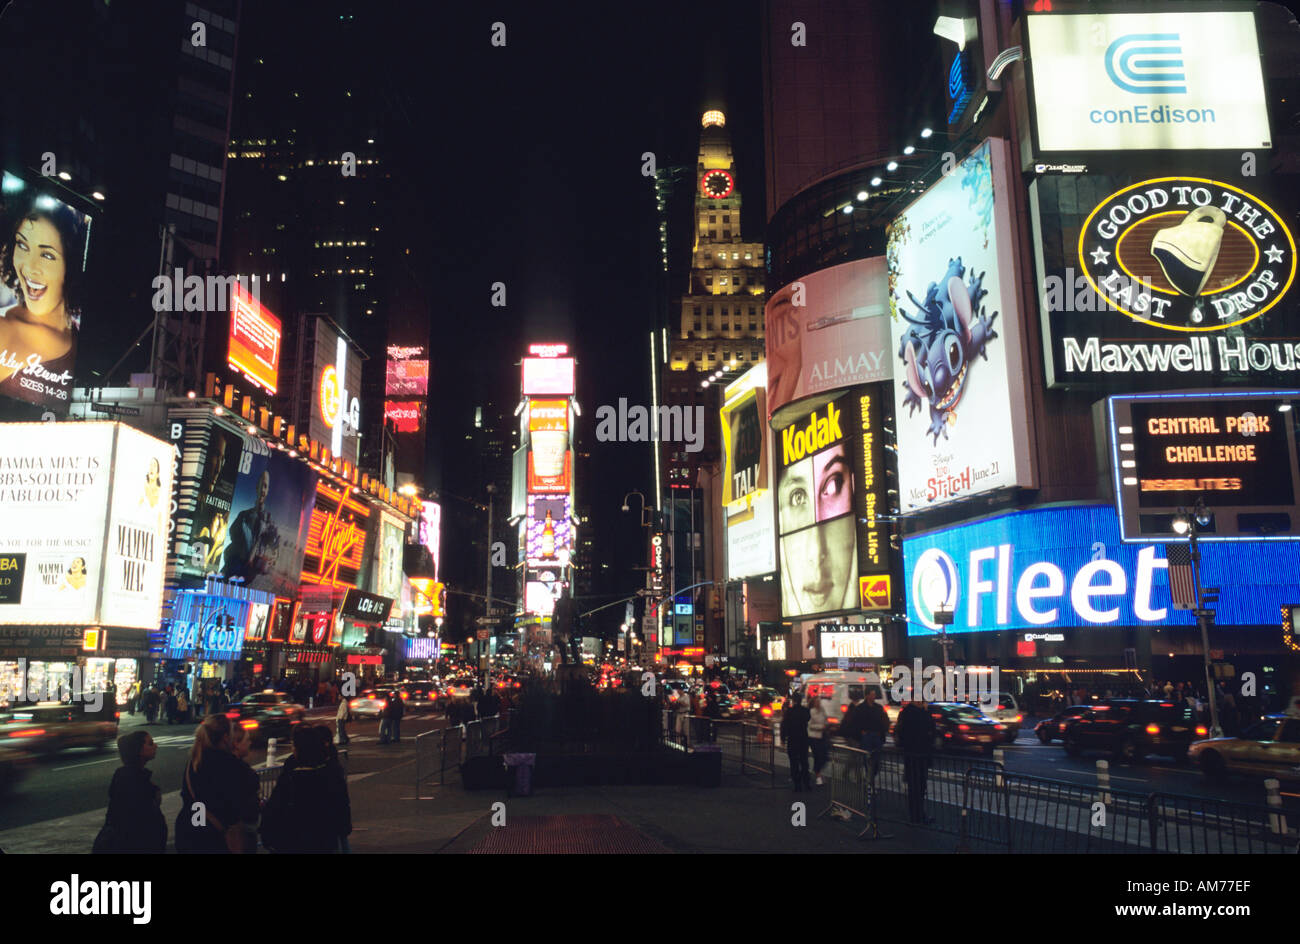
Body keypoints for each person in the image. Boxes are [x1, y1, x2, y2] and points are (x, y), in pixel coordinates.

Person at [0, 195, 87, 407]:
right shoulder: (4, 329)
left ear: (70, 267)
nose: (29, 267)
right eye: (22, 245)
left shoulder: (79, 343)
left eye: (47, 255)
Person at [259, 723, 352, 854]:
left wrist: (269, 838)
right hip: (324, 842)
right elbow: (342, 809)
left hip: (294, 843)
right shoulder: (330, 776)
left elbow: (274, 810)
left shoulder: (291, 779)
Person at [174, 714, 260, 854]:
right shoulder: (232, 765)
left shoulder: (195, 762)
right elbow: (247, 793)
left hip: (190, 829)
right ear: (226, 737)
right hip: (215, 835)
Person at [93, 731, 166, 854]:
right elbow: (137, 822)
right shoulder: (132, 781)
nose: (155, 746)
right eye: (150, 743)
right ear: (139, 750)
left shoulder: (130, 776)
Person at [893, 699, 937, 824]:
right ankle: (919, 814)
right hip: (921, 753)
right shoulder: (923, 714)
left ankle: (915, 814)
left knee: (914, 786)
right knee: (920, 786)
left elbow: (900, 732)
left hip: (911, 753)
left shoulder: (905, 713)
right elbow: (931, 729)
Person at [781, 697, 812, 791]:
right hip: (803, 738)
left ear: (793, 702)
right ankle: (806, 782)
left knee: (794, 762)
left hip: (792, 738)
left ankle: (797, 784)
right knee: (804, 761)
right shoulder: (805, 711)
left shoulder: (789, 712)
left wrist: (783, 738)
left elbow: (784, 725)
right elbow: (808, 719)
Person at [807, 692, 829, 786]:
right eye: (817, 702)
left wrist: (827, 725)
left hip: (822, 736)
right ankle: (818, 775)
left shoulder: (822, 710)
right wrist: (821, 727)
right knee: (817, 755)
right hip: (813, 736)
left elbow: (826, 719)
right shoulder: (811, 712)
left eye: (819, 702)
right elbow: (810, 725)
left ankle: (817, 771)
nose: (819, 703)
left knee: (824, 756)